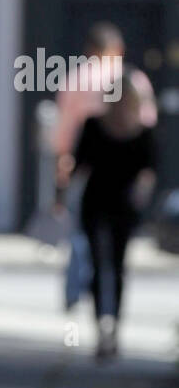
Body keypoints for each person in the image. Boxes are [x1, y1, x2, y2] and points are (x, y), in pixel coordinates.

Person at [51, 22, 156, 312]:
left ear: (90, 50)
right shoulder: (134, 80)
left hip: (86, 170)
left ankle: (77, 290)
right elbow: (147, 125)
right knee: (118, 254)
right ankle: (111, 311)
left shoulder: (78, 78)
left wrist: (62, 167)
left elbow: (64, 130)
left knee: (80, 236)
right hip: (125, 177)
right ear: (117, 50)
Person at [72, 70, 157, 359]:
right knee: (98, 265)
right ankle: (101, 326)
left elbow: (149, 169)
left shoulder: (143, 132)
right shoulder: (94, 125)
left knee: (118, 266)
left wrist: (142, 191)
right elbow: (79, 164)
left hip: (124, 208)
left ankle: (114, 326)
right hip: (95, 204)